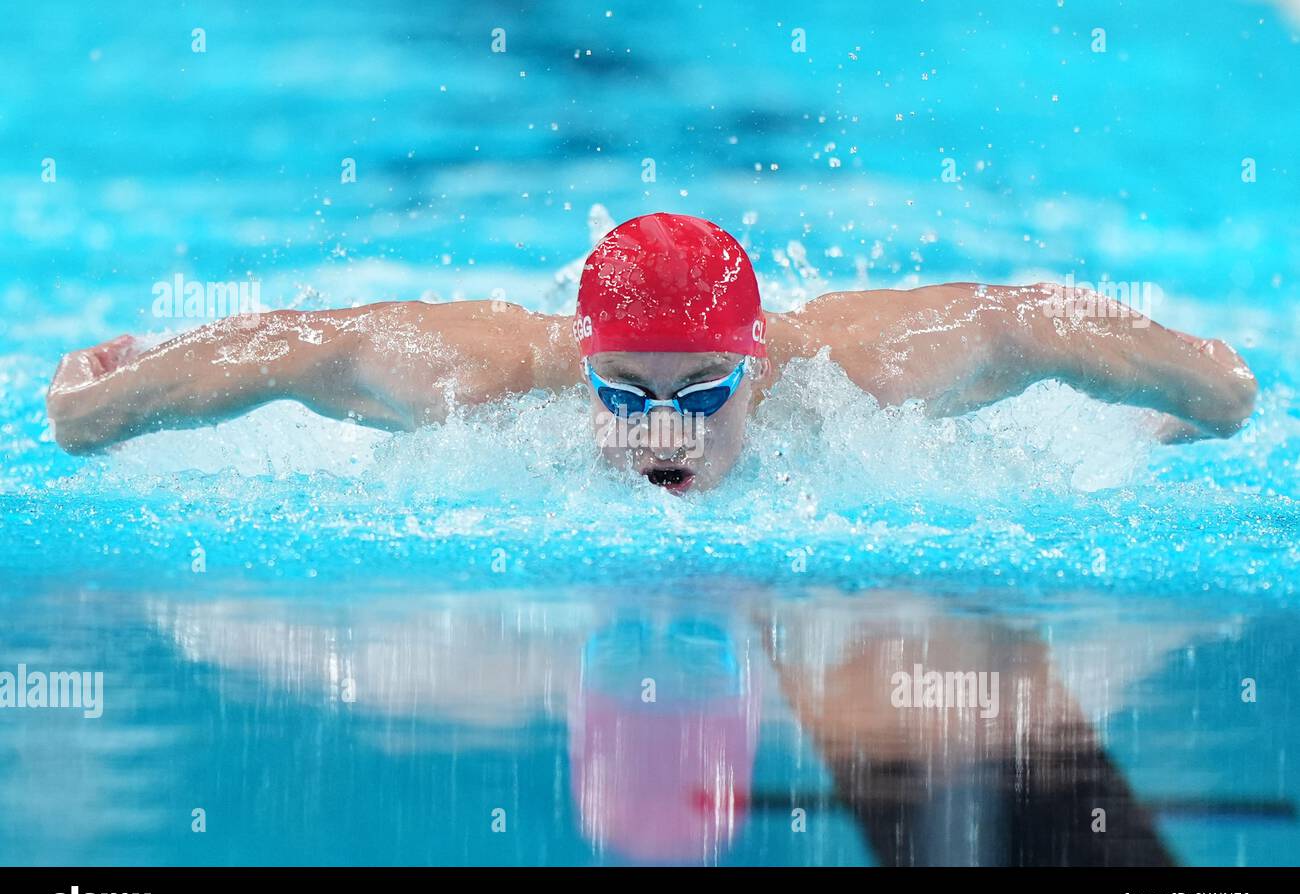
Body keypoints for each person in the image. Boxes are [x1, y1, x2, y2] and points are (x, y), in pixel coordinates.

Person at [46, 212, 1258, 493]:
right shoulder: (477, 376)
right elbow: (293, 347)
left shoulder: (867, 369)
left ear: (760, 362)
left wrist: (1207, 383)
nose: (661, 430)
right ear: (579, 359)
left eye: (703, 391)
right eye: (622, 389)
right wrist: (96, 408)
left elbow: (1029, 320)